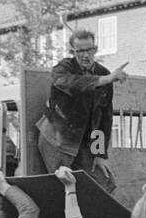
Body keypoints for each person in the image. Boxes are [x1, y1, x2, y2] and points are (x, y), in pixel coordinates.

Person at [36, 30, 126, 194]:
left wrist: (99, 154)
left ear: (95, 49)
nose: (85, 55)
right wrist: (104, 80)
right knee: (64, 188)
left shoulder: (104, 73)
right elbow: (73, 84)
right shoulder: (62, 69)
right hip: (57, 140)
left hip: (83, 143)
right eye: (80, 51)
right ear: (72, 52)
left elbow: (103, 118)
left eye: (89, 50)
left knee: (104, 183)